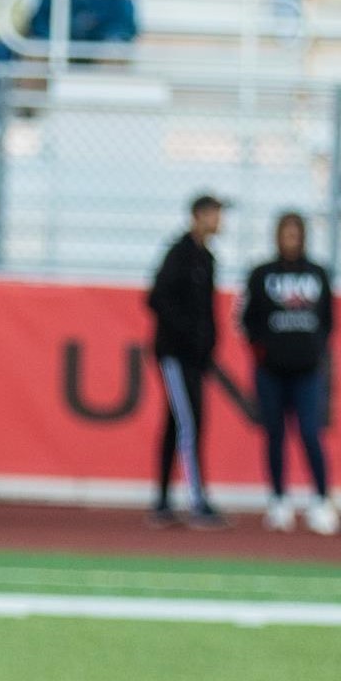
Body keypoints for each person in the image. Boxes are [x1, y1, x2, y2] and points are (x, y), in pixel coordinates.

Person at [241, 212, 339, 535]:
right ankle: (278, 500)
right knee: (274, 435)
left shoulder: (318, 274)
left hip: (307, 371)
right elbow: (247, 320)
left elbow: (328, 321)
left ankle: (321, 499)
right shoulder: (260, 275)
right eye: (286, 234)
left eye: (296, 234)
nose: (291, 240)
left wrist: (313, 351)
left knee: (311, 433)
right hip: (270, 371)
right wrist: (263, 351)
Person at [146, 194, 228, 529]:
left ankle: (163, 500)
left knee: (177, 424)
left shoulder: (206, 257)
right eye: (215, 214)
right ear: (199, 216)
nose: (219, 220)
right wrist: (187, 337)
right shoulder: (179, 254)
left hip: (193, 357)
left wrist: (206, 345)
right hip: (177, 355)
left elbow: (206, 311)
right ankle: (196, 500)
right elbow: (156, 299)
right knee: (189, 423)